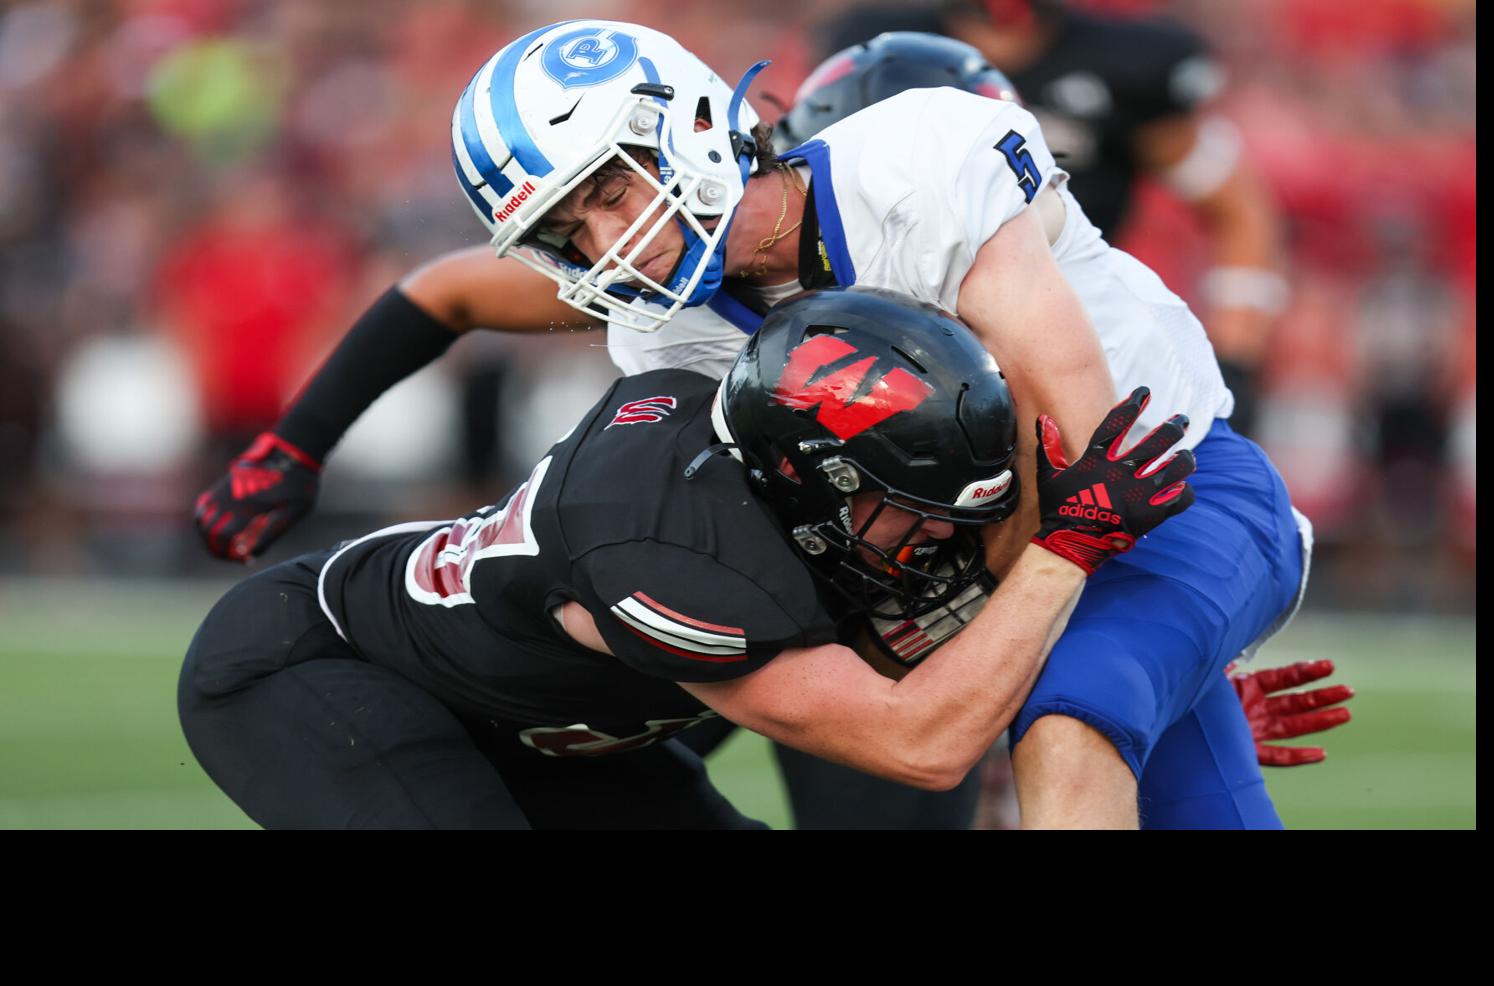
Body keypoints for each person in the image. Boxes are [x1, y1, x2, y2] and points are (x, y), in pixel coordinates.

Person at [197, 19, 1323, 828]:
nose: (609, 242)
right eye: (574, 228)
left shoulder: (918, 159)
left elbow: (1080, 444)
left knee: (1070, 728)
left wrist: (1122, 649)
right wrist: (1107, 656)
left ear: (690, 121)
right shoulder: (664, 347)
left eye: (614, 188)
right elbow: (870, 598)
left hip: (1147, 492)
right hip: (1006, 563)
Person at [178, 286, 1198, 828]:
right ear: (817, 477)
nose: (938, 536)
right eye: (912, 509)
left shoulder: (785, 472)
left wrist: (1159, 698)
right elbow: (915, 740)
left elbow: (946, 648)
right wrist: (1063, 550)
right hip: (325, 671)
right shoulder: (671, 547)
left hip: (554, 724)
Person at [817, 1, 1287, 433]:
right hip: (900, 331)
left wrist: (1236, 354)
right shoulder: (882, 50)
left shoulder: (1126, 64)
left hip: (1074, 334)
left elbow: (1238, 212)